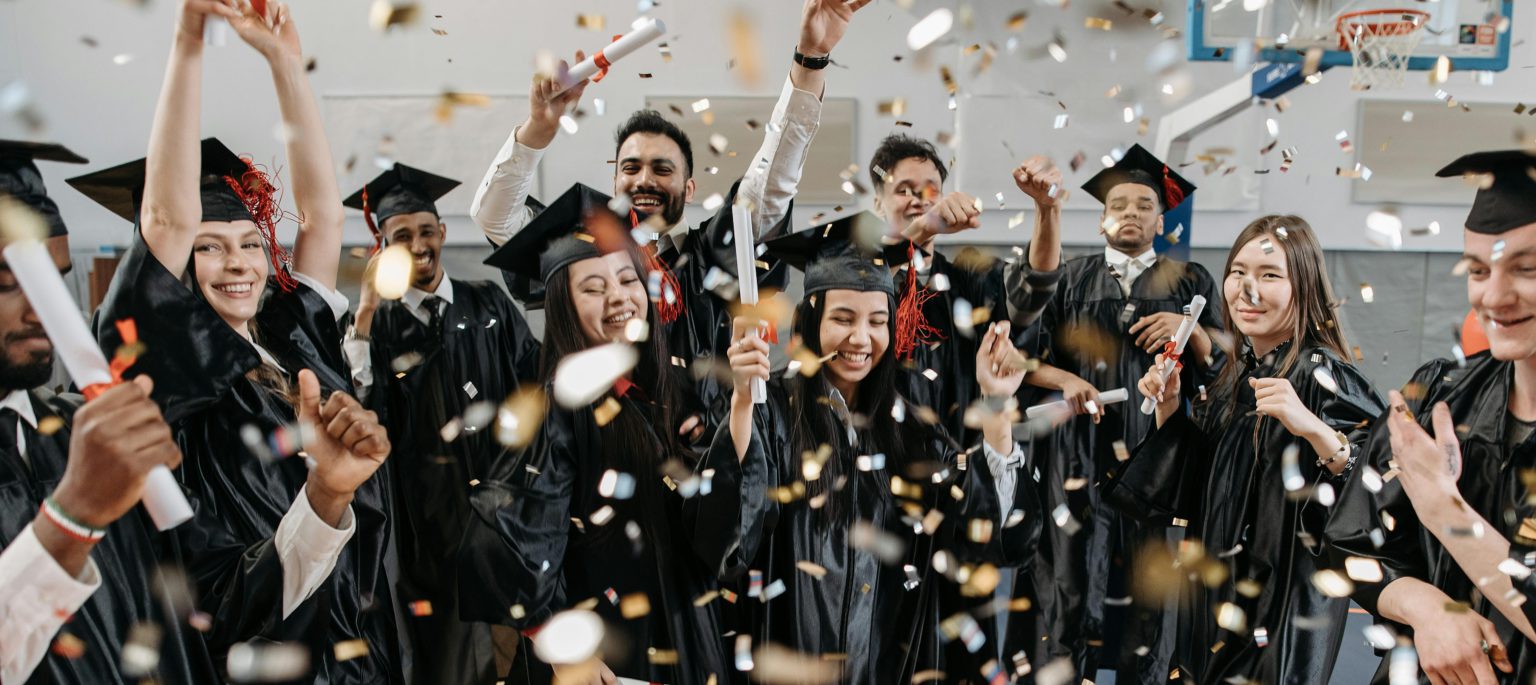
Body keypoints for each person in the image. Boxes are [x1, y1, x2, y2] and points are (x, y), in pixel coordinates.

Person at [70, 2, 399, 680]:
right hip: (263, 643)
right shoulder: (165, 366)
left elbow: (321, 217)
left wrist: (285, 63)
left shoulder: (294, 333)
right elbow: (163, 217)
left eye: (251, 242)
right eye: (208, 248)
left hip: (357, 635)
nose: (241, 263)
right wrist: (189, 44)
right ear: (176, 271)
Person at [471, 0, 869, 414]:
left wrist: (810, 59)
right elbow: (494, 217)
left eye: (663, 169)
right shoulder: (583, 256)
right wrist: (539, 127)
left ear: (689, 188)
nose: (644, 180)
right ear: (614, 183)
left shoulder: (712, 258)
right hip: (597, 450)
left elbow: (771, 183)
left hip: (704, 457)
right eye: (631, 168)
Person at [691, 213, 1042, 681]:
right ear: (812, 320)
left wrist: (997, 412)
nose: (861, 338)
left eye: (878, 321)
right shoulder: (771, 410)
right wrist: (739, 403)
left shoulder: (913, 430)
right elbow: (726, 541)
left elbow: (990, 541)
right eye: (842, 318)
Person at [461, 183, 728, 684]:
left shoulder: (665, 392)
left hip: (687, 639)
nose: (618, 299)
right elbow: (500, 538)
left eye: (627, 280)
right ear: (562, 305)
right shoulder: (556, 408)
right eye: (592, 288)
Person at [1109, 215, 1384, 683]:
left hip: (1281, 608)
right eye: (1238, 273)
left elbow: (1380, 487)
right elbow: (1198, 487)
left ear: (1304, 287)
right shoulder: (1236, 376)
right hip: (1213, 598)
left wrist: (1315, 429)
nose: (1247, 289)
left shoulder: (1324, 376)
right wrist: (1170, 405)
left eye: (1270, 275)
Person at [0, 140, 217, 684]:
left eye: (54, 279)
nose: (41, 309)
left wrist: (324, 498)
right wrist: (72, 515)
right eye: (9, 282)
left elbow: (203, 594)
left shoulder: (82, 427)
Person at [1009, 143, 1225, 681]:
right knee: (1069, 585)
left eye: (1145, 204)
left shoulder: (1191, 282)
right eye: (1120, 204)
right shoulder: (1066, 278)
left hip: (1157, 464)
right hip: (1075, 459)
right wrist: (1063, 378)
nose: (1132, 212)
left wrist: (1192, 332)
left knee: (1153, 597)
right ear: (1103, 217)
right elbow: (1017, 359)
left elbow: (1225, 368)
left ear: (1161, 218)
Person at [1328, 149, 1536, 683]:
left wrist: (1447, 514)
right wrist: (1425, 609)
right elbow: (1348, 546)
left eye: (1528, 268)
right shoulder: (1442, 395)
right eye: (1477, 269)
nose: (1494, 295)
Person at [342, 162, 539, 684]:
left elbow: (535, 388)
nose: (419, 243)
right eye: (401, 235)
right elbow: (363, 414)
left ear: (443, 232)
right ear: (382, 247)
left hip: (505, 521)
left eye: (427, 230)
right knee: (448, 661)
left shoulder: (488, 301)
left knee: (520, 655)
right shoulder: (375, 329)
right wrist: (363, 313)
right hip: (426, 537)